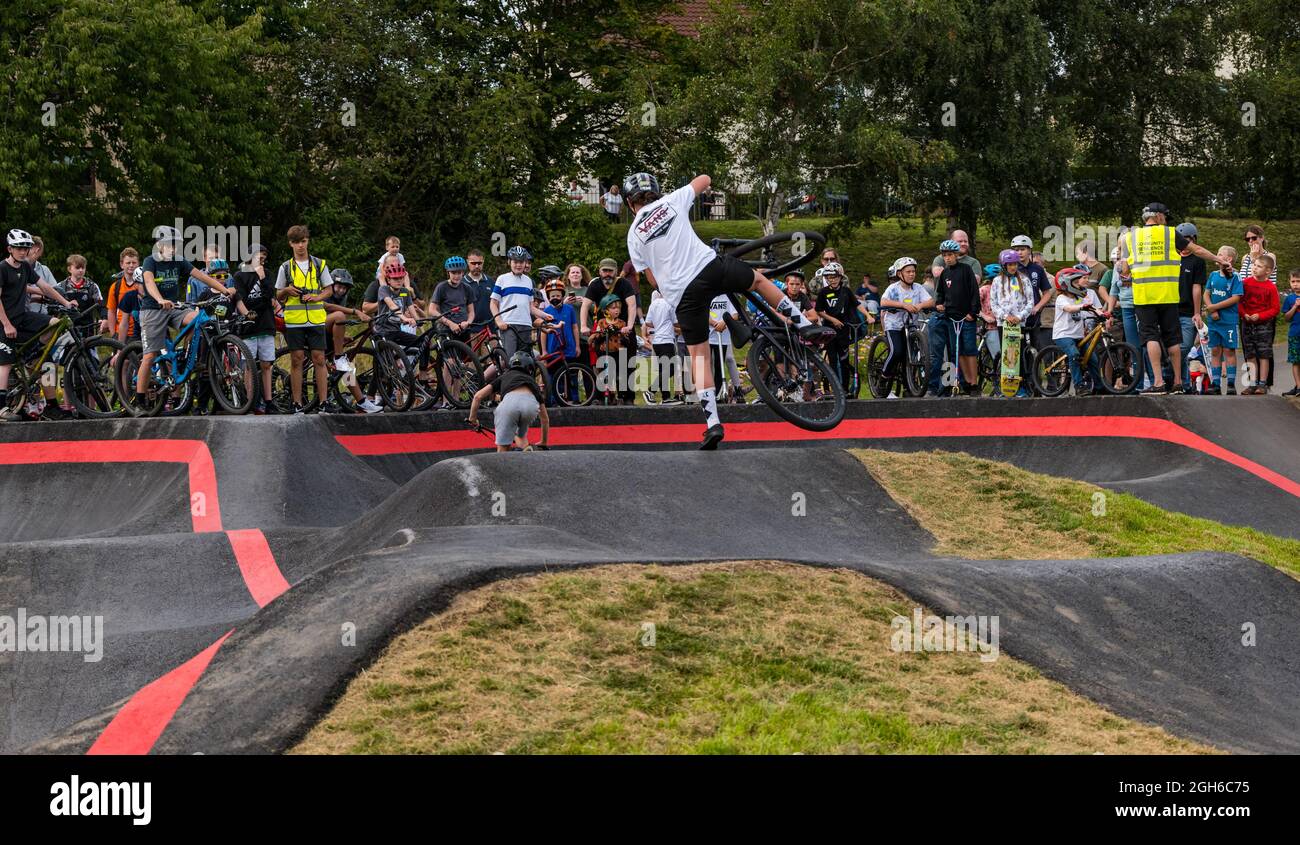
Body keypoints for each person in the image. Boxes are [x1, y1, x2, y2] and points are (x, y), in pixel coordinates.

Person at [624, 171, 823, 447]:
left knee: (699, 357)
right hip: (708, 268)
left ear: (628, 202)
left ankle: (713, 424)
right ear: (655, 191)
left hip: (683, 295)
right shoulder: (671, 201)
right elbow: (704, 179)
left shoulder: (633, 235)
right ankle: (804, 324)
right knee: (757, 280)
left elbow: (652, 279)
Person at [1117, 202, 1223, 395]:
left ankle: (1158, 382)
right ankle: (1177, 382)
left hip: (1144, 296)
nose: (1165, 220)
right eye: (1165, 217)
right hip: (1168, 294)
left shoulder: (1130, 238)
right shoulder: (1170, 233)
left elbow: (1123, 270)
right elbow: (1197, 250)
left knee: (1150, 336)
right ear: (1158, 216)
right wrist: (1219, 259)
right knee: (1172, 338)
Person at [135, 226, 233, 410]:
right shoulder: (150, 261)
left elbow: (203, 276)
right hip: (152, 310)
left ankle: (186, 354)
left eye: (176, 245)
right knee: (149, 356)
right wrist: (159, 299)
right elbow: (148, 281)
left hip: (173, 308)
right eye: (170, 245)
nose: (174, 249)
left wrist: (224, 290)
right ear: (160, 245)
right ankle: (140, 402)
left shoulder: (179, 261)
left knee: (201, 319)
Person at [0, 229, 77, 420]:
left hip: (23, 317)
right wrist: (7, 325)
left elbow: (44, 286)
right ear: (10, 249)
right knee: (6, 363)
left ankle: (35, 352)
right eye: (19, 248)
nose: (23, 251)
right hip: (4, 322)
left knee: (56, 323)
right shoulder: (2, 268)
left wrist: (65, 302)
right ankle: (1, 408)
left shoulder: (25, 268)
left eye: (25, 248)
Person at [273, 225, 336, 413]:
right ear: (290, 244)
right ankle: (296, 402)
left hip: (316, 318)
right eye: (296, 242)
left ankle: (324, 402)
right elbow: (278, 295)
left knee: (319, 359)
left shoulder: (319, 264)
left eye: (303, 241)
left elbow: (329, 290)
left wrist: (317, 297)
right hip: (294, 320)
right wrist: (287, 290)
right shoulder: (285, 267)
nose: (300, 246)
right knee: (296, 360)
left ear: (307, 241)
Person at [467, 350, 550, 452]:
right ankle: (524, 448)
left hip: (509, 404)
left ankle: (506, 459)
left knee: (502, 448)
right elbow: (545, 419)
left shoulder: (504, 376)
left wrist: (473, 419)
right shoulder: (532, 382)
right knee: (520, 435)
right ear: (530, 369)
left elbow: (477, 397)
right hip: (530, 405)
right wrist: (544, 442)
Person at [928, 239, 981, 396]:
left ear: (957, 255)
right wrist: (938, 303)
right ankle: (961, 382)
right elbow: (941, 294)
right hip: (951, 317)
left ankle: (973, 383)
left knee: (969, 350)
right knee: (958, 350)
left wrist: (973, 312)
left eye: (950, 255)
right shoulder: (945, 273)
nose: (947, 258)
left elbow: (974, 292)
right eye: (944, 256)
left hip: (967, 317)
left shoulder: (965, 270)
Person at [231, 244, 279, 414]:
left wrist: (263, 277)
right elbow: (243, 300)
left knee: (267, 364)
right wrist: (262, 303)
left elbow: (270, 296)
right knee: (249, 366)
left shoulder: (268, 274)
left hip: (266, 324)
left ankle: (268, 401)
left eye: (265, 258)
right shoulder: (240, 276)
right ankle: (251, 400)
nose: (262, 260)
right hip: (249, 327)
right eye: (260, 257)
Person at [878, 257, 932, 400]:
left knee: (910, 356)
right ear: (899, 274)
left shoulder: (918, 288)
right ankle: (883, 377)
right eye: (908, 271)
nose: (911, 274)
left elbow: (930, 300)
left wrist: (920, 306)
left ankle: (909, 386)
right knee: (897, 351)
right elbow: (883, 301)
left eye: (913, 271)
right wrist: (903, 305)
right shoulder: (893, 288)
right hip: (894, 326)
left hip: (911, 326)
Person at [491, 246, 553, 360]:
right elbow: (493, 303)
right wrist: (499, 321)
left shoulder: (528, 281)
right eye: (515, 262)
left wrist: (545, 315)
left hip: (525, 326)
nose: (518, 265)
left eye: (521, 262)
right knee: (510, 360)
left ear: (525, 263)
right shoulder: (502, 279)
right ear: (509, 262)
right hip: (508, 325)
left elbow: (530, 307)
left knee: (525, 360)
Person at [989, 249, 1036, 398]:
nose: (1013, 267)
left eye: (1015, 264)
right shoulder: (997, 281)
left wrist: (1020, 316)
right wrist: (1005, 316)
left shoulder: (1024, 279)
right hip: (1004, 323)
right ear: (1003, 265)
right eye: (1009, 264)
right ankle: (1005, 386)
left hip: (1019, 323)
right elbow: (994, 303)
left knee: (1018, 354)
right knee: (1006, 354)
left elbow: (1030, 302)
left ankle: (1020, 387)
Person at [1051, 268, 1105, 396]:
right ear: (1067, 284)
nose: (1079, 285)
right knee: (1074, 355)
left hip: (1078, 335)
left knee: (1093, 359)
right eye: (1076, 283)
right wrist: (1081, 306)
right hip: (1063, 335)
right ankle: (1079, 385)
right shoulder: (1061, 299)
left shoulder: (1079, 297)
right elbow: (1069, 308)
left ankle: (1099, 386)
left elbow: (1092, 307)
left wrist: (1102, 313)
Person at [1108, 256, 1154, 390]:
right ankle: (1138, 385)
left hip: (1142, 307)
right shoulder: (1118, 267)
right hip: (1126, 309)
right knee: (1133, 348)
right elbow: (1113, 290)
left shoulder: (1141, 262)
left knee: (1147, 346)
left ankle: (1154, 383)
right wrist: (1109, 312)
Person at [814, 262, 860, 395]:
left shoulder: (846, 291)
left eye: (834, 277)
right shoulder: (823, 292)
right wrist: (833, 320)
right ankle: (835, 389)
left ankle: (845, 388)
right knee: (833, 361)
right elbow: (819, 311)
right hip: (829, 331)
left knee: (844, 360)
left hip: (844, 331)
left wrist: (868, 316)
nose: (832, 280)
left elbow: (856, 305)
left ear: (840, 277)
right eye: (828, 277)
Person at [1203, 246, 1243, 395]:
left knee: (1229, 350)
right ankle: (1215, 384)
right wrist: (1211, 309)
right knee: (1215, 350)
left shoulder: (1235, 276)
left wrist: (1214, 307)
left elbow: (1236, 297)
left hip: (1228, 321)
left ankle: (1231, 384)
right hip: (1214, 321)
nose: (1216, 255)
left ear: (1228, 259)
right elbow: (1206, 294)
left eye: (1220, 254)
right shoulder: (1213, 275)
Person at [1240, 253, 1280, 395]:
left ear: (1268, 271)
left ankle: (1262, 384)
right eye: (1254, 265)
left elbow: (1275, 308)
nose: (1255, 268)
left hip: (1264, 325)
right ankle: (1252, 383)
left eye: (1259, 266)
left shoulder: (1271, 287)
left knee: (1263, 354)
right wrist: (1244, 314)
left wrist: (1260, 316)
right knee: (1250, 353)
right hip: (1247, 322)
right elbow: (1239, 301)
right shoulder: (1245, 283)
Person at [1175, 222, 1207, 391]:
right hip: (1170, 310)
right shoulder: (1171, 258)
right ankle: (1181, 383)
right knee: (1171, 348)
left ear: (1193, 240)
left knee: (1184, 347)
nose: (1184, 244)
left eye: (1186, 240)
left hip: (1188, 312)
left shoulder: (1197, 261)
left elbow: (1197, 287)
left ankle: (1180, 380)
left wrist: (1197, 312)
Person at [1009, 235, 1053, 352]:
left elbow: (1047, 293)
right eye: (1016, 250)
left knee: (1036, 348)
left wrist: (1038, 306)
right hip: (1014, 316)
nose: (1019, 252)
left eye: (1022, 249)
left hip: (1033, 316)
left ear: (1029, 250)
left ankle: (1033, 370)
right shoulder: (1010, 268)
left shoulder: (1038, 269)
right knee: (1015, 349)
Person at [541, 277, 580, 404]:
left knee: (571, 373)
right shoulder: (546, 311)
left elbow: (574, 327)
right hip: (553, 348)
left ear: (563, 296)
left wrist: (577, 346)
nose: (555, 298)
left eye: (558, 295)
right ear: (548, 297)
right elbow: (543, 332)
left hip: (569, 347)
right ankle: (554, 399)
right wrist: (544, 350)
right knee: (553, 375)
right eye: (552, 296)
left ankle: (574, 398)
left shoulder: (569, 309)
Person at [643, 288, 682, 404]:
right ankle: (650, 391)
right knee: (670, 369)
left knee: (662, 370)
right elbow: (676, 322)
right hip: (666, 340)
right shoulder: (670, 304)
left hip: (657, 341)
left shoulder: (654, 303)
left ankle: (666, 398)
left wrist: (660, 323)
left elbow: (648, 322)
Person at [590, 294, 628, 404]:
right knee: (603, 376)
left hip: (617, 352)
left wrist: (622, 333)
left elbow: (626, 338)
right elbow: (596, 336)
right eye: (613, 308)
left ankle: (619, 396)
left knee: (618, 376)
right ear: (606, 310)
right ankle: (600, 398)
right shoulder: (601, 322)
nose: (617, 310)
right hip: (604, 352)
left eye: (618, 308)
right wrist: (603, 332)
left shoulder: (622, 323)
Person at [56, 254, 103, 336]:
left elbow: (100, 305)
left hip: (87, 328)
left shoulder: (92, 286)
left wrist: (104, 318)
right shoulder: (60, 286)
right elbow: (54, 307)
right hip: (66, 329)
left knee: (89, 348)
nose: (81, 270)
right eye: (77, 268)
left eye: (83, 268)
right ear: (69, 269)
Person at [432, 256, 476, 341]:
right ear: (448, 272)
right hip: (446, 329)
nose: (456, 276)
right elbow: (432, 310)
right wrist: (449, 323)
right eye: (453, 273)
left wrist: (468, 322)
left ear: (463, 272)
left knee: (467, 354)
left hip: (463, 329)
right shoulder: (441, 287)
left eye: (459, 273)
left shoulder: (467, 288)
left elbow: (471, 312)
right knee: (449, 353)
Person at [105, 247, 141, 338]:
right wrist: (113, 334)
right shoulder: (115, 287)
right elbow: (111, 311)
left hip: (140, 332)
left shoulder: (144, 285)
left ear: (138, 264)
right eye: (128, 263)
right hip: (121, 332)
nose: (131, 265)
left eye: (134, 262)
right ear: (122, 265)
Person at [1283, 269, 1300, 397]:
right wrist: (1294, 306)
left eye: (1298, 281)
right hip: (1295, 334)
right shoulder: (1289, 299)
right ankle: (1298, 386)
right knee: (1295, 361)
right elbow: (1286, 318)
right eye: (1293, 281)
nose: (1295, 284)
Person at [979, 262, 1001, 364]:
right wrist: (985, 316)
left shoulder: (1004, 289)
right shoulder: (984, 290)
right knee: (998, 355)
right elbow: (973, 306)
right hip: (991, 327)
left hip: (1005, 326)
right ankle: (997, 378)